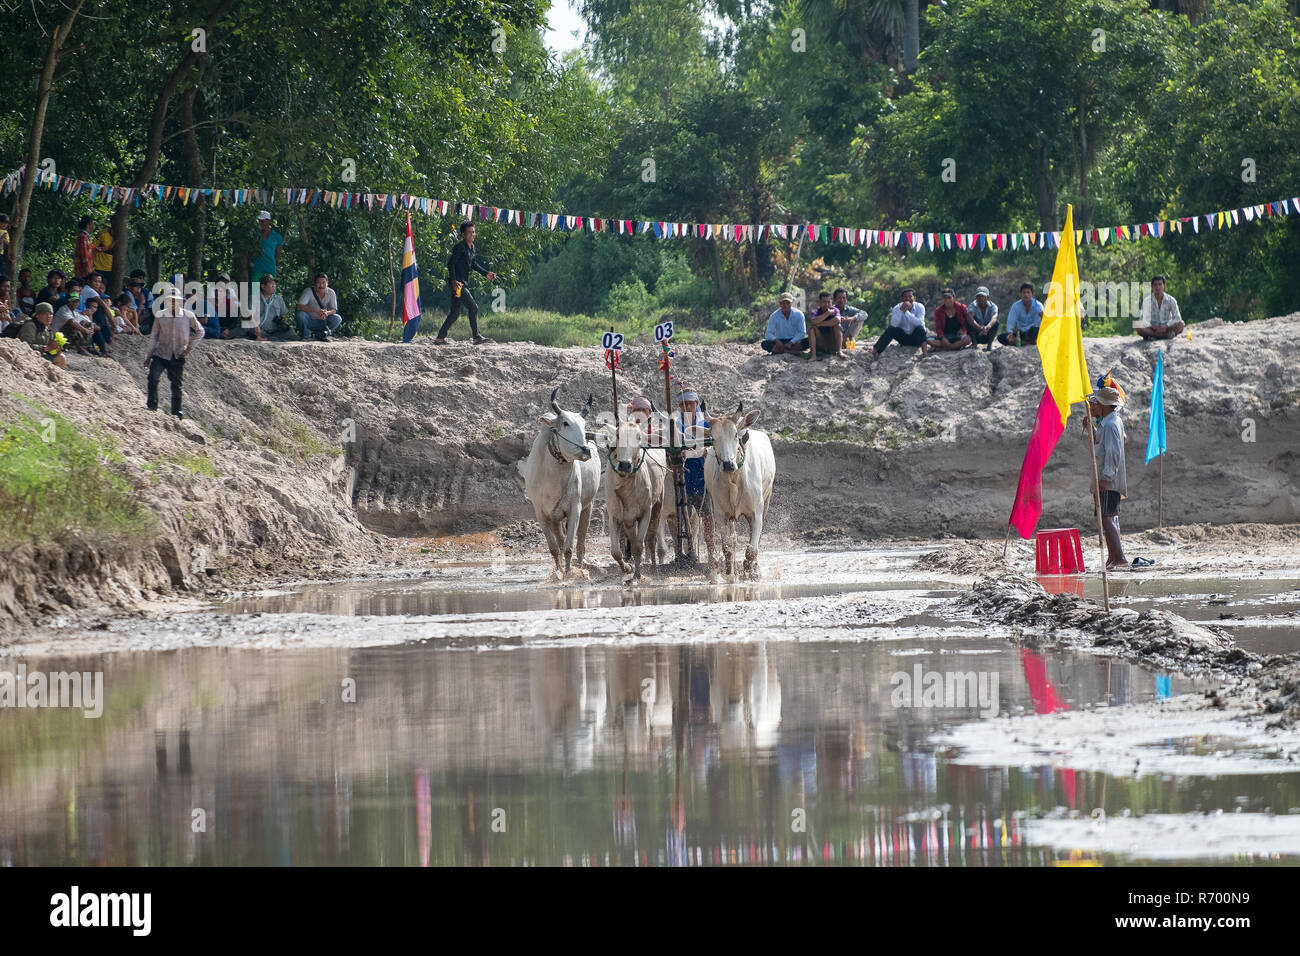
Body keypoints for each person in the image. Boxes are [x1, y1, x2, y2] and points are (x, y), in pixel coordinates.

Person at [1085, 382, 1128, 570]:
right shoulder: (1107, 423)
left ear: (1103, 405)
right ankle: (1112, 558)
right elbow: (1101, 445)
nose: (1092, 407)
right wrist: (1091, 429)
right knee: (1105, 517)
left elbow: (1113, 453)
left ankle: (1119, 558)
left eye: (1095, 404)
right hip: (1105, 477)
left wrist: (1106, 477)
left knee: (1106, 518)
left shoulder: (1110, 424)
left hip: (1108, 480)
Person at [672, 390, 716, 567]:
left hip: (702, 476)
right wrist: (677, 451)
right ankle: (684, 553)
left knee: (707, 517)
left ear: (696, 404)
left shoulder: (706, 423)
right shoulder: (674, 425)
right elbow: (670, 447)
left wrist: (705, 451)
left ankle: (712, 555)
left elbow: (714, 446)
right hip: (682, 477)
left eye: (690, 403)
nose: (687, 407)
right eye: (683, 404)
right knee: (681, 517)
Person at [144, 288, 205, 418]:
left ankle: (176, 411)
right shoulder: (160, 315)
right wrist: (148, 356)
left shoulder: (188, 315)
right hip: (161, 353)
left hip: (178, 354)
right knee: (153, 378)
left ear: (181, 302)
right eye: (170, 301)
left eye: (175, 301)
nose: (172, 303)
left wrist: (189, 348)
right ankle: (152, 405)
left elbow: (200, 331)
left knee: (177, 385)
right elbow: (154, 336)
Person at [434, 221, 496, 344]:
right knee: (473, 307)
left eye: (473, 232)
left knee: (455, 313)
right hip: (458, 284)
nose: (472, 235)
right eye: (469, 233)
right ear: (463, 234)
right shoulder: (460, 247)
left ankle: (440, 338)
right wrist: (453, 280)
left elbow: (473, 264)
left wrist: (486, 273)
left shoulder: (472, 248)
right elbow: (450, 264)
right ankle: (476, 337)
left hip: (462, 284)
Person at [872, 288, 926, 356]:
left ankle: (925, 353)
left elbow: (919, 322)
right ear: (902, 299)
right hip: (903, 338)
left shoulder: (920, 307)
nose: (908, 299)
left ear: (914, 298)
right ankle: (876, 350)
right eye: (905, 297)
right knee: (890, 329)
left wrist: (906, 312)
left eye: (910, 296)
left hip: (917, 337)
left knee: (920, 328)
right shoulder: (896, 308)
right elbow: (894, 324)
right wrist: (901, 311)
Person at [1136, 274, 1184, 340]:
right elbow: (1142, 318)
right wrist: (1152, 327)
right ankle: (1158, 335)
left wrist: (1166, 326)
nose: (1157, 287)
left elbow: (1177, 317)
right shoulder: (1147, 301)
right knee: (1137, 325)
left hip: (1167, 328)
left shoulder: (1171, 300)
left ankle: (1155, 336)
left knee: (1181, 324)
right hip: (1153, 329)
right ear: (1152, 287)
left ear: (1164, 286)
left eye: (1160, 284)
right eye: (1155, 285)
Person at [922, 288, 971, 353]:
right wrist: (942, 338)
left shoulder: (962, 308)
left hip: (958, 336)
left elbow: (968, 321)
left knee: (968, 339)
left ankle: (944, 348)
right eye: (945, 298)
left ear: (954, 298)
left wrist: (963, 329)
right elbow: (938, 328)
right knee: (928, 340)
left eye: (949, 297)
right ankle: (955, 347)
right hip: (945, 336)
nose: (947, 300)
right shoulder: (938, 311)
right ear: (942, 300)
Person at [18, 302, 66, 367]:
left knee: (61, 357)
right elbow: (24, 345)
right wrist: (45, 348)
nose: (48, 316)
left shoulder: (47, 328)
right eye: (45, 314)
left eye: (51, 314)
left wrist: (56, 348)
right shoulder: (30, 325)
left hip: (39, 354)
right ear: (37, 315)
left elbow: (49, 344)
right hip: (25, 356)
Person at [297, 272, 343, 340]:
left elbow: (334, 310)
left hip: (323, 321)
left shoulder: (331, 293)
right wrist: (317, 311)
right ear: (315, 283)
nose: (321, 285)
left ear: (327, 283)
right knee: (300, 314)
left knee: (338, 318)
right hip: (309, 320)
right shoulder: (308, 291)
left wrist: (327, 313)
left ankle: (322, 334)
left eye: (323, 282)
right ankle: (306, 335)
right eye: (318, 282)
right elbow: (299, 306)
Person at [807, 290, 846, 360]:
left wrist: (820, 324)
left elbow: (837, 320)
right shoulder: (815, 311)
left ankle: (839, 351)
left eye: (828, 302)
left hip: (832, 342)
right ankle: (813, 355)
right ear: (819, 303)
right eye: (824, 302)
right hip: (821, 342)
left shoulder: (835, 310)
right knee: (812, 329)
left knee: (838, 326)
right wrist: (827, 314)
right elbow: (813, 321)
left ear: (831, 302)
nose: (827, 304)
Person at [256, 274, 293, 340]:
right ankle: (269, 339)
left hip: (275, 331)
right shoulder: (254, 299)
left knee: (290, 331)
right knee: (250, 329)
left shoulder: (278, 299)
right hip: (260, 329)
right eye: (271, 284)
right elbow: (248, 316)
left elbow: (283, 314)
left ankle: (267, 339)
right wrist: (256, 326)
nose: (274, 286)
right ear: (263, 286)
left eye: (274, 284)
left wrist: (283, 322)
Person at [252, 210, 283, 283]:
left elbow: (278, 255)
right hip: (256, 270)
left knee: (269, 293)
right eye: (259, 221)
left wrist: (273, 264)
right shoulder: (254, 235)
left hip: (270, 270)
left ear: (268, 221)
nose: (260, 223)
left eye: (262, 221)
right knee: (255, 293)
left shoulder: (277, 237)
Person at [967, 286, 999, 350]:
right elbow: (970, 317)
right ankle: (974, 344)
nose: (980, 298)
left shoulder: (993, 306)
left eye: (983, 296)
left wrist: (987, 327)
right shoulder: (973, 305)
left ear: (988, 298)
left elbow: (994, 317)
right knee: (968, 321)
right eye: (978, 296)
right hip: (977, 333)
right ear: (976, 298)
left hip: (987, 333)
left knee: (996, 323)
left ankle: (989, 345)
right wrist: (979, 328)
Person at [0, 213, 9, 282]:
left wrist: (3, 239)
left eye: (6, 223)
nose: (4, 225)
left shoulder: (5, 232)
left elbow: (8, 243)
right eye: (3, 223)